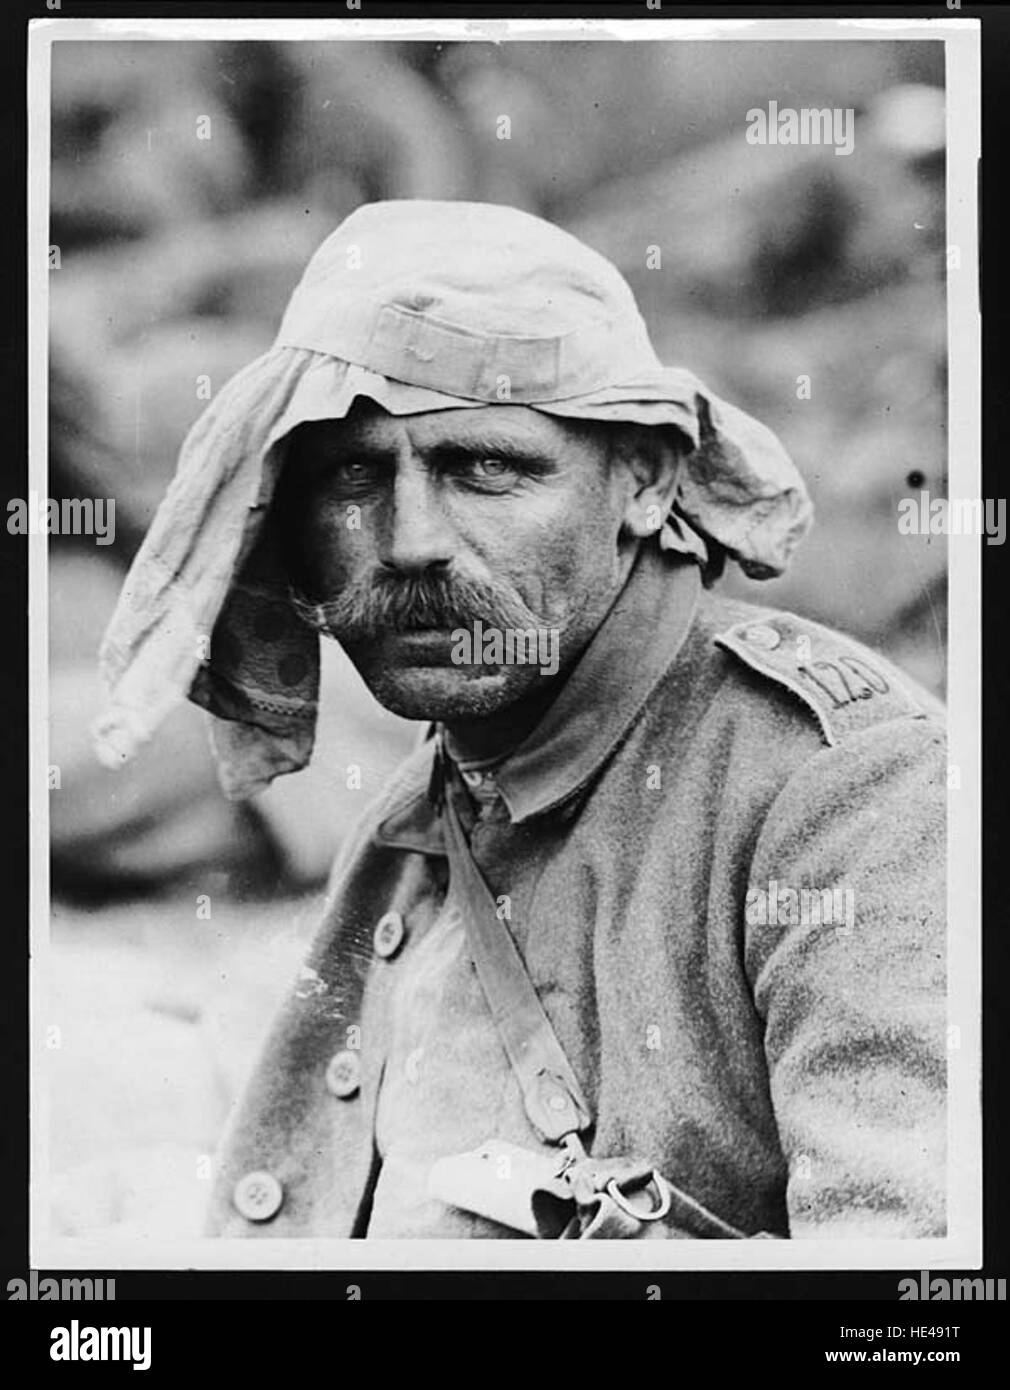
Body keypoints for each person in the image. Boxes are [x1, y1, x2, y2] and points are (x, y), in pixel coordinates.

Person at [96, 200, 946, 1240]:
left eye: (485, 466)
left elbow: (905, 1311)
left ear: (644, 477)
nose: (410, 542)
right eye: (352, 475)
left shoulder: (844, 791)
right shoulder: (426, 803)